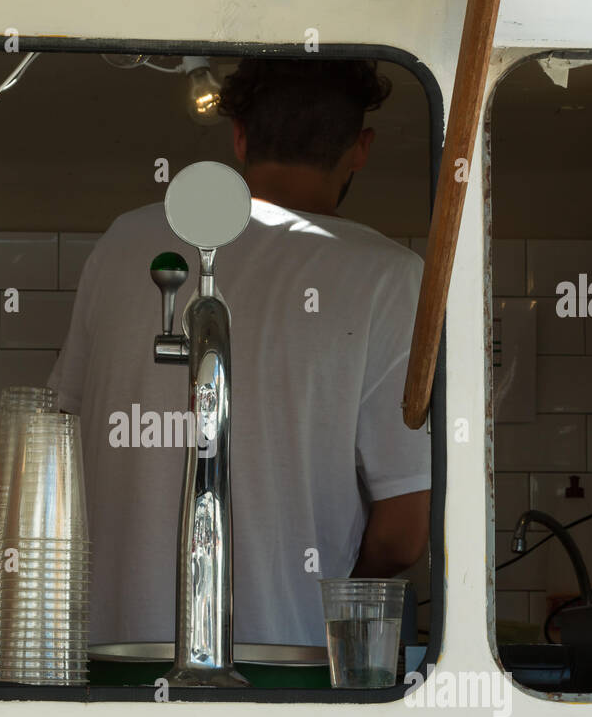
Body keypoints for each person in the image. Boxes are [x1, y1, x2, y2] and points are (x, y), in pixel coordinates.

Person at [48, 57, 431, 648]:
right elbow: (406, 533)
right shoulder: (390, 278)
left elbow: (58, 444)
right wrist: (324, 604)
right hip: (288, 663)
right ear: (361, 147)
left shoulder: (125, 241)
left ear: (240, 137)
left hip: (107, 655)